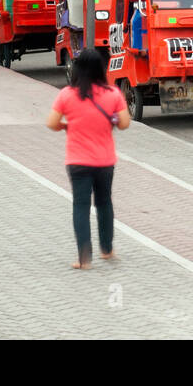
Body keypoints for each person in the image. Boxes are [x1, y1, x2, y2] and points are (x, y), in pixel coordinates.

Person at [46, 47, 131, 270]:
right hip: (104, 162)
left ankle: (84, 258)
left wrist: (66, 125)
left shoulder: (67, 94)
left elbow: (51, 123)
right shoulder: (113, 94)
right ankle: (107, 249)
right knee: (104, 203)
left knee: (81, 206)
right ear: (101, 69)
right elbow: (124, 123)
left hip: (77, 162)